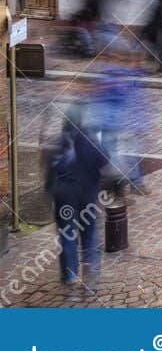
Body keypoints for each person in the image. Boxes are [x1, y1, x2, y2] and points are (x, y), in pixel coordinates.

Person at [45, 89, 108, 289]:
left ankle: (69, 274)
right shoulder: (90, 140)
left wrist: (49, 191)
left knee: (67, 234)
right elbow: (104, 161)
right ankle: (89, 266)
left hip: (64, 194)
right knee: (88, 231)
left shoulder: (58, 141)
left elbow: (50, 170)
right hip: (87, 193)